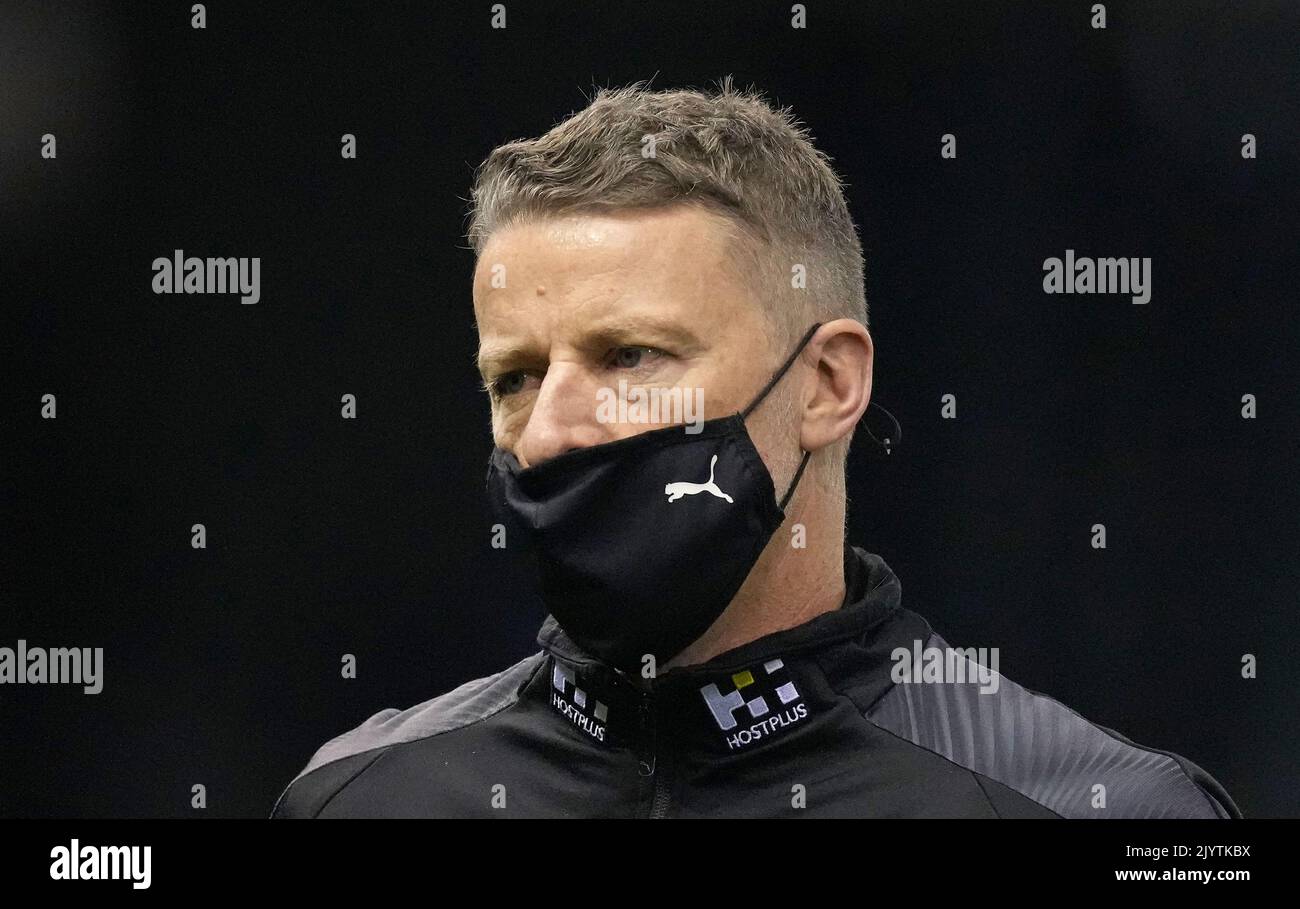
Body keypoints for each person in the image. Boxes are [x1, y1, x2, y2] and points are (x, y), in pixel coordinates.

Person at [272, 78, 1239, 818]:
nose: (554, 428)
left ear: (827, 385)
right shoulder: (360, 798)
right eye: (514, 377)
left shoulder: (1100, 812)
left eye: (629, 356)